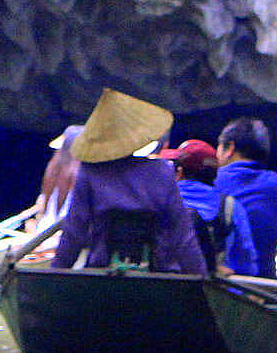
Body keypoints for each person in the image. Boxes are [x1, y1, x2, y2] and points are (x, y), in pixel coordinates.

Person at [49, 90, 207, 276]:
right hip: (157, 274)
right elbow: (182, 235)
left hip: (103, 273)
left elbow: (75, 233)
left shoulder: (89, 172)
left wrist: (56, 273)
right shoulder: (162, 171)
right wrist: (199, 278)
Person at [161, 139, 257, 276]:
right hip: (211, 288)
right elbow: (246, 264)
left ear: (179, 172)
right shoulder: (232, 207)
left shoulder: (161, 199)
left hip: (163, 281)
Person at [214, 116, 277, 278]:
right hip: (265, 279)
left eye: (219, 146)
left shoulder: (213, 180)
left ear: (230, 148)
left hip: (228, 279)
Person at [30, 125, 82, 232]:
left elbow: (41, 208)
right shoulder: (82, 176)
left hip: (44, 230)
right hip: (64, 235)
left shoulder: (52, 170)